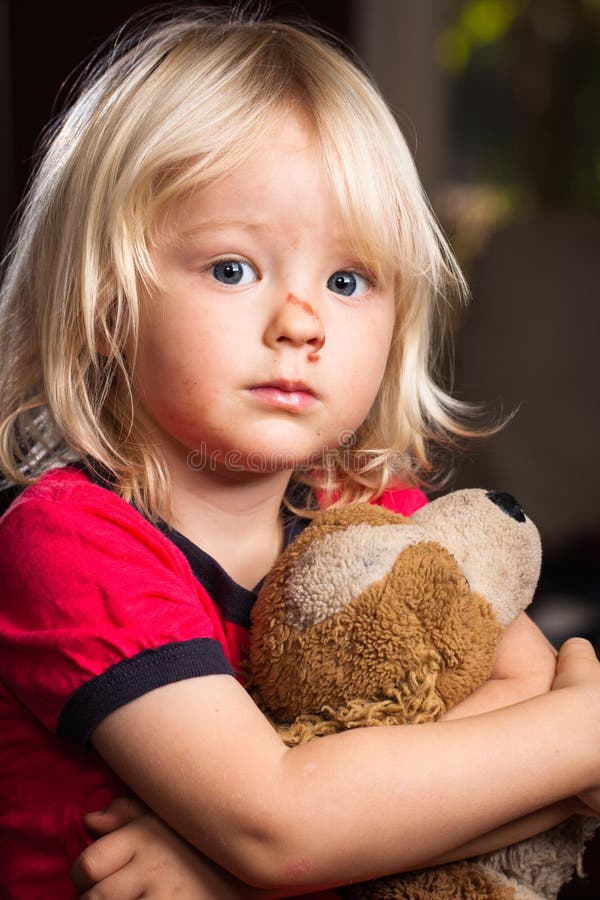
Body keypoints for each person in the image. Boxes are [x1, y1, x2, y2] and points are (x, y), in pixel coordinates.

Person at [0, 7, 599, 899]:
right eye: (233, 268)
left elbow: (546, 766)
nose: (301, 322)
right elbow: (279, 825)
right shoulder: (71, 542)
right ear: (104, 303)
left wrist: (235, 866)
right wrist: (580, 733)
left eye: (348, 280)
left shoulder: (363, 508)